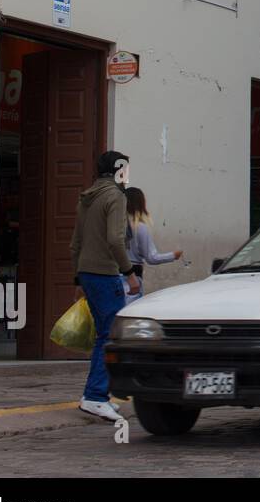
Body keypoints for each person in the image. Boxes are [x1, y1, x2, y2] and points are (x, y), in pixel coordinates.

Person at [69, 150, 139, 422]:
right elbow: (115, 239)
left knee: (104, 334)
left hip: (87, 272)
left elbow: (75, 243)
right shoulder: (116, 197)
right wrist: (129, 273)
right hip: (106, 273)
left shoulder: (87, 197)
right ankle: (95, 397)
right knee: (110, 336)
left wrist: (78, 279)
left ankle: (99, 395)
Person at [121, 187, 182, 305]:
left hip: (111, 277)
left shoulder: (114, 225)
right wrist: (173, 255)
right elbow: (151, 258)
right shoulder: (140, 227)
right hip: (132, 278)